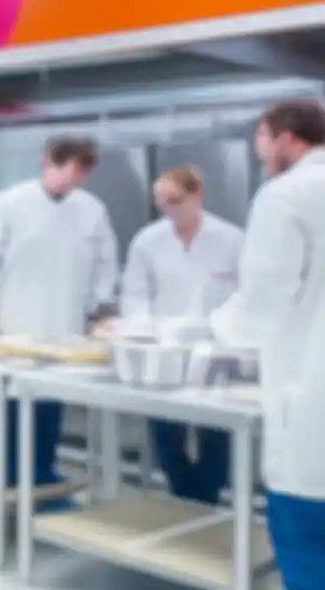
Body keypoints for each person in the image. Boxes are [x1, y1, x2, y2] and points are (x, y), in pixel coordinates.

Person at [211, 100, 325, 590]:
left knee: (304, 541)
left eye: (261, 138)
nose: (259, 151)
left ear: (283, 137)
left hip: (310, 402)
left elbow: (261, 303)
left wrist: (215, 326)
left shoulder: (287, 194)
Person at [0, 135, 118, 489]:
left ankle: (42, 474)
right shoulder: (10, 202)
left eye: (79, 174)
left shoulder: (91, 208)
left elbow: (107, 260)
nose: (71, 181)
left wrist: (101, 302)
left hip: (66, 323)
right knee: (15, 404)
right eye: (65, 171)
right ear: (46, 160)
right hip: (17, 320)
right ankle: (11, 476)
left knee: (51, 403)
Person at [121, 166, 242, 504]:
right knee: (165, 426)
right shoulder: (148, 241)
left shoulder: (231, 239)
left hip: (216, 347)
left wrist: (224, 327)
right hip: (164, 350)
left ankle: (206, 494)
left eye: (176, 200)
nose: (169, 209)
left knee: (216, 428)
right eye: (162, 203)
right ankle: (183, 491)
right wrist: (143, 328)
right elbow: (135, 293)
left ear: (197, 194)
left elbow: (247, 294)